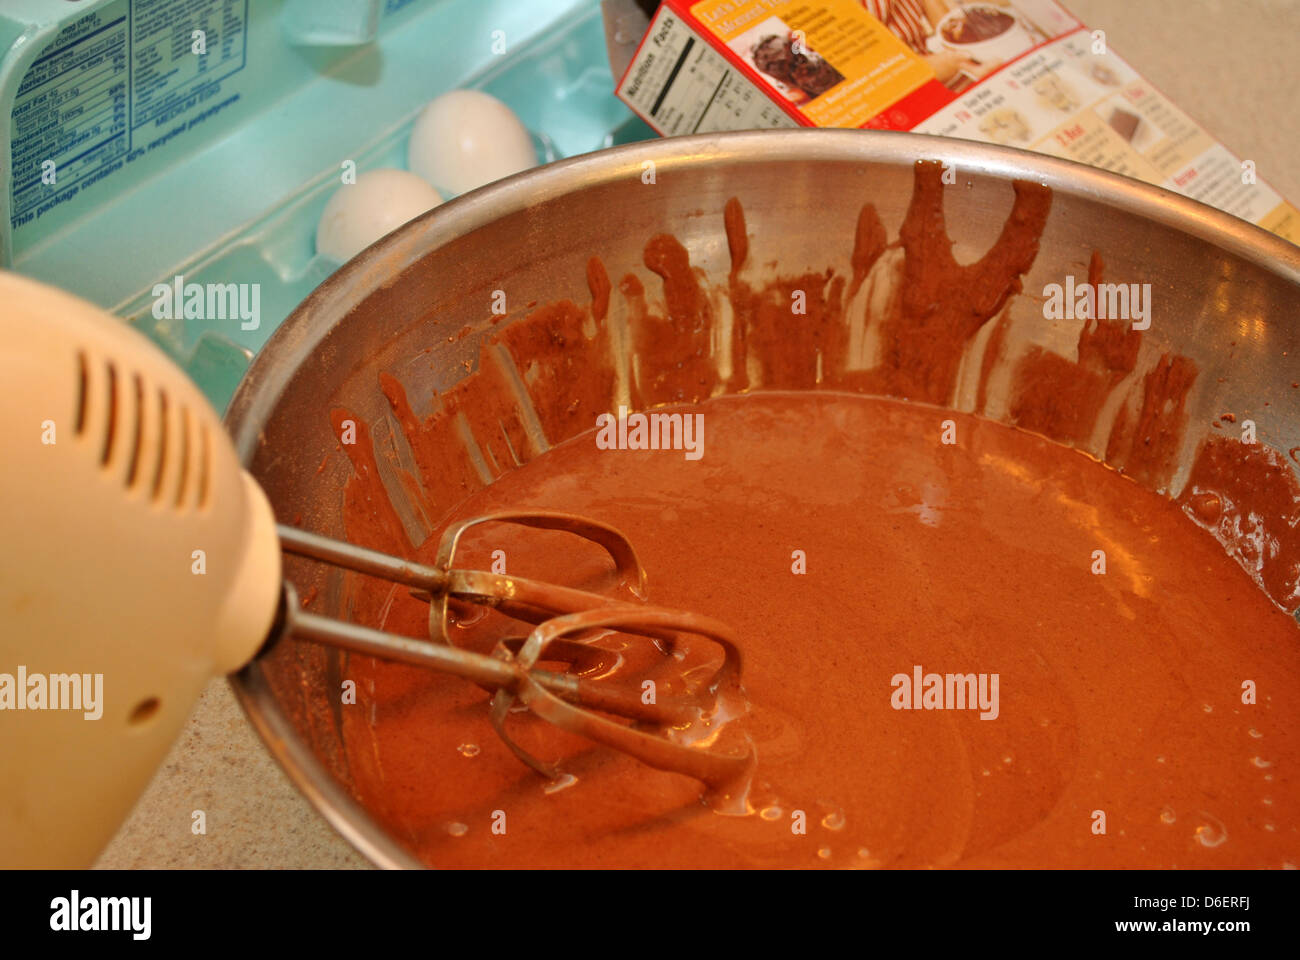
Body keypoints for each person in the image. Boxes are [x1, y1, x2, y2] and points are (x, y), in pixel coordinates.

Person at [858, 0, 1009, 86]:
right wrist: (932, 68)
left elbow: (946, 26)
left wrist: (963, 52)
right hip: (892, 91)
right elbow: (862, 74)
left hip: (932, 71)